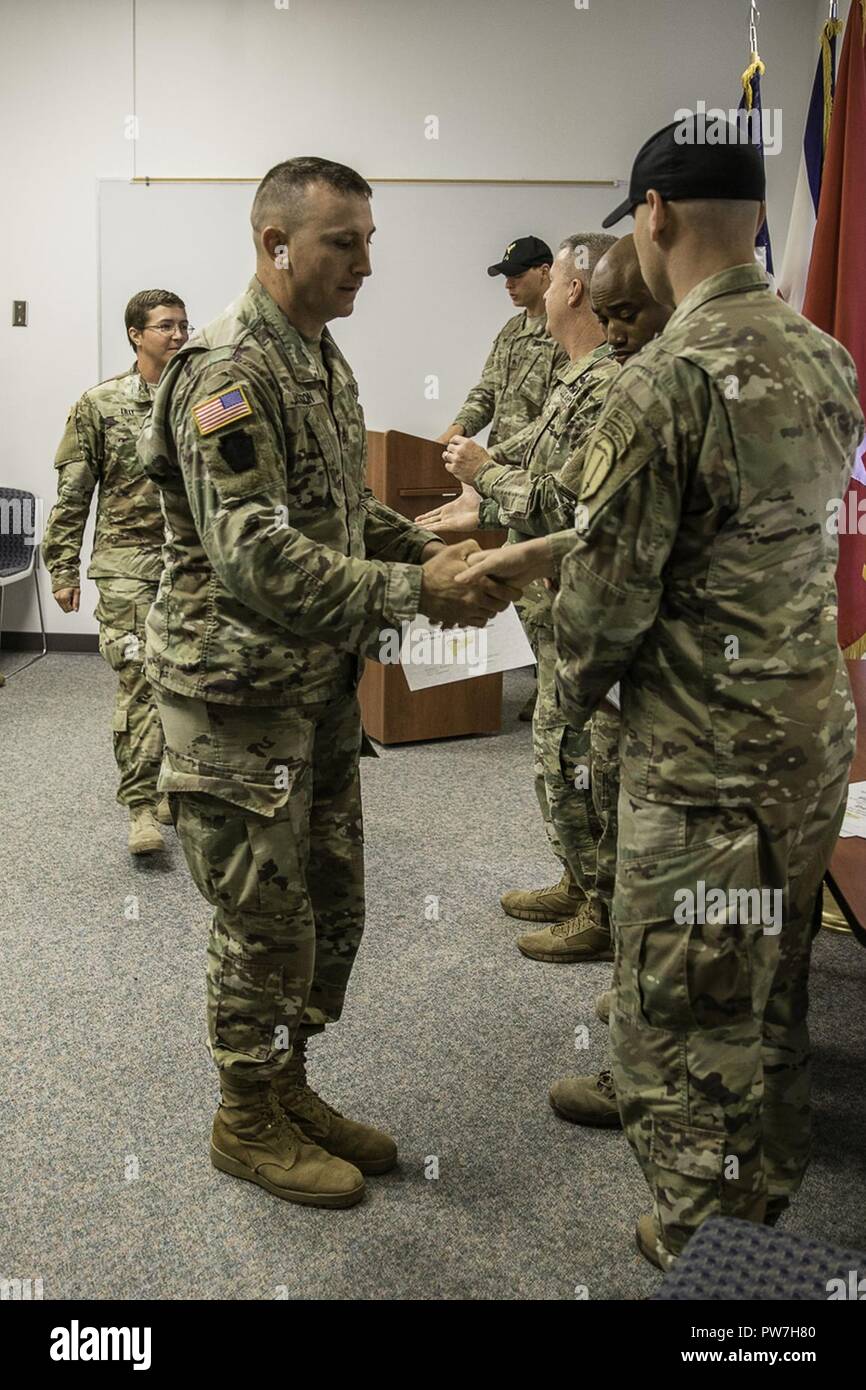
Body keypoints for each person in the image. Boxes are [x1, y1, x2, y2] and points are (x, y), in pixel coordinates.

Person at [455, 120, 863, 1269]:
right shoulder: (821, 355)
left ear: (652, 216)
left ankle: (708, 1244)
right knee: (770, 973)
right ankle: (764, 1178)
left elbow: (601, 614)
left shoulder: (666, 382)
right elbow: (737, 539)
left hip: (700, 763)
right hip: (807, 737)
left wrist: (564, 678)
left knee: (684, 1006)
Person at [138, 156, 518, 1211]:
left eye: (368, 239)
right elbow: (252, 551)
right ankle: (243, 1116)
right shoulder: (224, 370)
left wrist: (447, 552)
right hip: (234, 691)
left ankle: (286, 1080)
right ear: (274, 245)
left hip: (310, 683)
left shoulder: (317, 356)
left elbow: (335, 515)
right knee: (262, 919)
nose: (364, 262)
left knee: (326, 904)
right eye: (341, 242)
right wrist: (415, 592)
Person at [423, 233, 619, 962]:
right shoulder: (566, 365)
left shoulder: (609, 379)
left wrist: (485, 478)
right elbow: (525, 440)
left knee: (584, 747)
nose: (516, 288)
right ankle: (583, 878)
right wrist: (476, 482)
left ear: (566, 286)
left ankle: (602, 900)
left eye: (539, 276)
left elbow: (557, 497)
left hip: (589, 594)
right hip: (553, 568)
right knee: (563, 741)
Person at [41, 290, 190, 855]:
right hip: (127, 563)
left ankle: (176, 787)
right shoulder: (99, 405)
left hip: (194, 565)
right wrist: (63, 566)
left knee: (187, 678)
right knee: (140, 678)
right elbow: (73, 494)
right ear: (136, 334)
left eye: (183, 325)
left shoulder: (203, 399)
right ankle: (140, 806)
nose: (177, 335)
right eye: (164, 327)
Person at [436, 236, 566, 450]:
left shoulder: (562, 332)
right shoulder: (511, 331)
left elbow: (554, 419)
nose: (508, 284)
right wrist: (454, 432)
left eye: (517, 275)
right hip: (497, 472)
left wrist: (491, 456)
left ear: (544, 272)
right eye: (507, 277)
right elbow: (487, 392)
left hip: (536, 471)